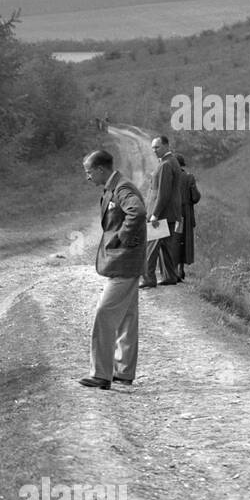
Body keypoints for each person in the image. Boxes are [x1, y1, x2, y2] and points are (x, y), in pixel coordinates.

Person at [80, 149, 147, 389]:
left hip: (124, 264)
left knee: (104, 313)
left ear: (100, 169)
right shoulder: (114, 186)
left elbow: (137, 212)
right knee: (128, 318)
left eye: (89, 172)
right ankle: (123, 371)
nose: (88, 177)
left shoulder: (122, 188)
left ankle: (101, 374)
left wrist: (122, 238)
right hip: (126, 263)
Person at [140, 135, 182, 288]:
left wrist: (155, 214)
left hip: (162, 214)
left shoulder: (165, 164)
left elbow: (163, 193)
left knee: (151, 247)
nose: (154, 150)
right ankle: (170, 276)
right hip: (170, 213)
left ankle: (148, 279)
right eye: (152, 147)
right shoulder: (173, 161)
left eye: (157, 147)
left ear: (166, 146)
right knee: (165, 246)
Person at [175, 153, 201, 281]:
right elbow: (196, 197)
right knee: (183, 240)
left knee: (173, 239)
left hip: (173, 213)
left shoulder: (170, 177)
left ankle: (172, 269)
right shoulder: (189, 178)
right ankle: (180, 269)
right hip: (186, 213)